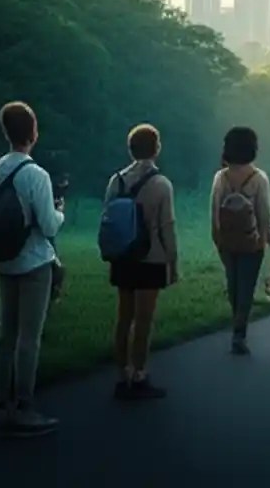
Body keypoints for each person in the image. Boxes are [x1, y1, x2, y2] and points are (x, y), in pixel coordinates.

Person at [0, 102, 65, 436]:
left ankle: (0, 403)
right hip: (34, 263)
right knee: (28, 339)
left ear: (6, 132)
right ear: (33, 132)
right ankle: (25, 408)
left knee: (4, 334)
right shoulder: (36, 174)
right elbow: (48, 226)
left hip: (5, 260)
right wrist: (61, 210)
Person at [106, 123, 179, 401]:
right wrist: (173, 262)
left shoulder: (117, 181)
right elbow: (167, 227)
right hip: (151, 258)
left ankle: (121, 374)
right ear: (157, 149)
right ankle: (140, 374)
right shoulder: (161, 184)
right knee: (144, 319)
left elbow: (109, 218)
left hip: (123, 255)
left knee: (124, 317)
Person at [210, 126, 270, 355]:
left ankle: (236, 321)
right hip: (251, 241)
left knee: (233, 282)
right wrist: (265, 239)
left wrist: (217, 236)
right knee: (246, 286)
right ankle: (239, 332)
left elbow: (214, 210)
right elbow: (264, 213)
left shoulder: (221, 177)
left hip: (227, 240)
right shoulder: (259, 178)